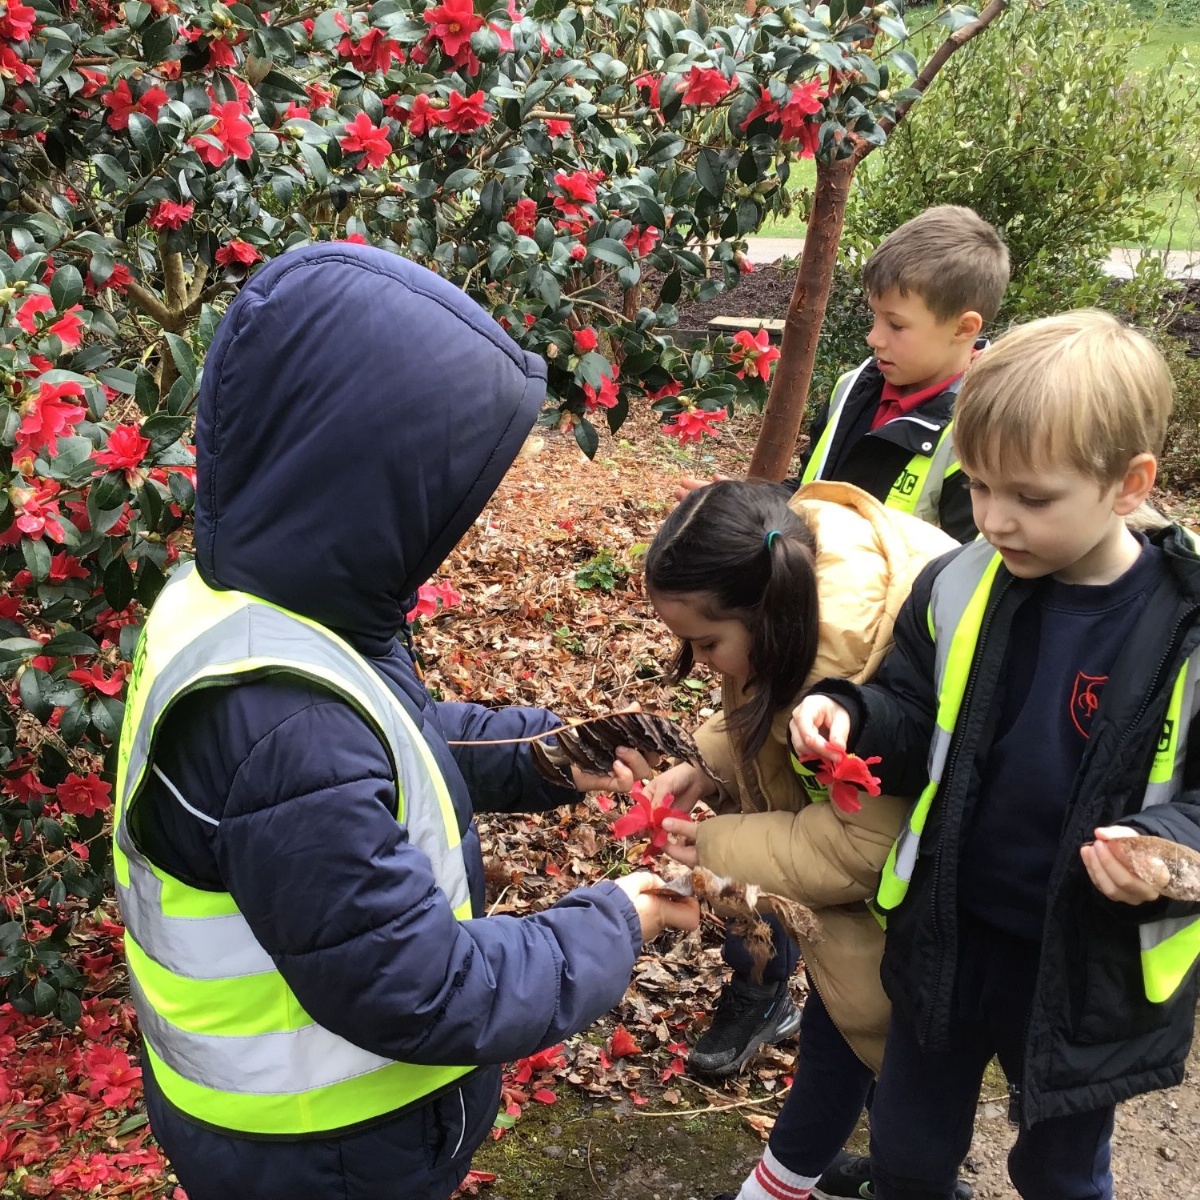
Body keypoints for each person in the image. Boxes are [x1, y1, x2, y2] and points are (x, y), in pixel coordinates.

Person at [110, 243, 699, 1200]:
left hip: (284, 1134)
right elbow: (416, 986)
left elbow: (391, 741)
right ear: (367, 478)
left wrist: (558, 755)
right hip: (325, 1151)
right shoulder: (282, 724)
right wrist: (615, 920)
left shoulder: (250, 601)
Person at [791, 310, 1200, 1200]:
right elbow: (909, 708)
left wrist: (1166, 847)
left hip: (1089, 962)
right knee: (906, 1147)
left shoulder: (1186, 628)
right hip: (948, 929)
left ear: (1129, 485)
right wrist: (847, 713)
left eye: (1032, 498)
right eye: (978, 487)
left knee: (1057, 1168)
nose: (995, 520)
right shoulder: (959, 583)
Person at [637, 477, 955, 1200]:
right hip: (891, 911)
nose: (702, 661)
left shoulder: (848, 669)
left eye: (707, 643)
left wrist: (713, 847)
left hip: (932, 910)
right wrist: (707, 764)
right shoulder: (793, 577)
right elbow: (762, 710)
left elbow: (859, 847)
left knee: (893, 1078)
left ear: (767, 615)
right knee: (848, 1047)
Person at [679, 205, 1010, 545]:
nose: (873, 338)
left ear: (963, 328)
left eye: (896, 325)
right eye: (875, 316)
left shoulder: (982, 433)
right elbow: (809, 494)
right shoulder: (851, 390)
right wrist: (746, 507)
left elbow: (967, 563)